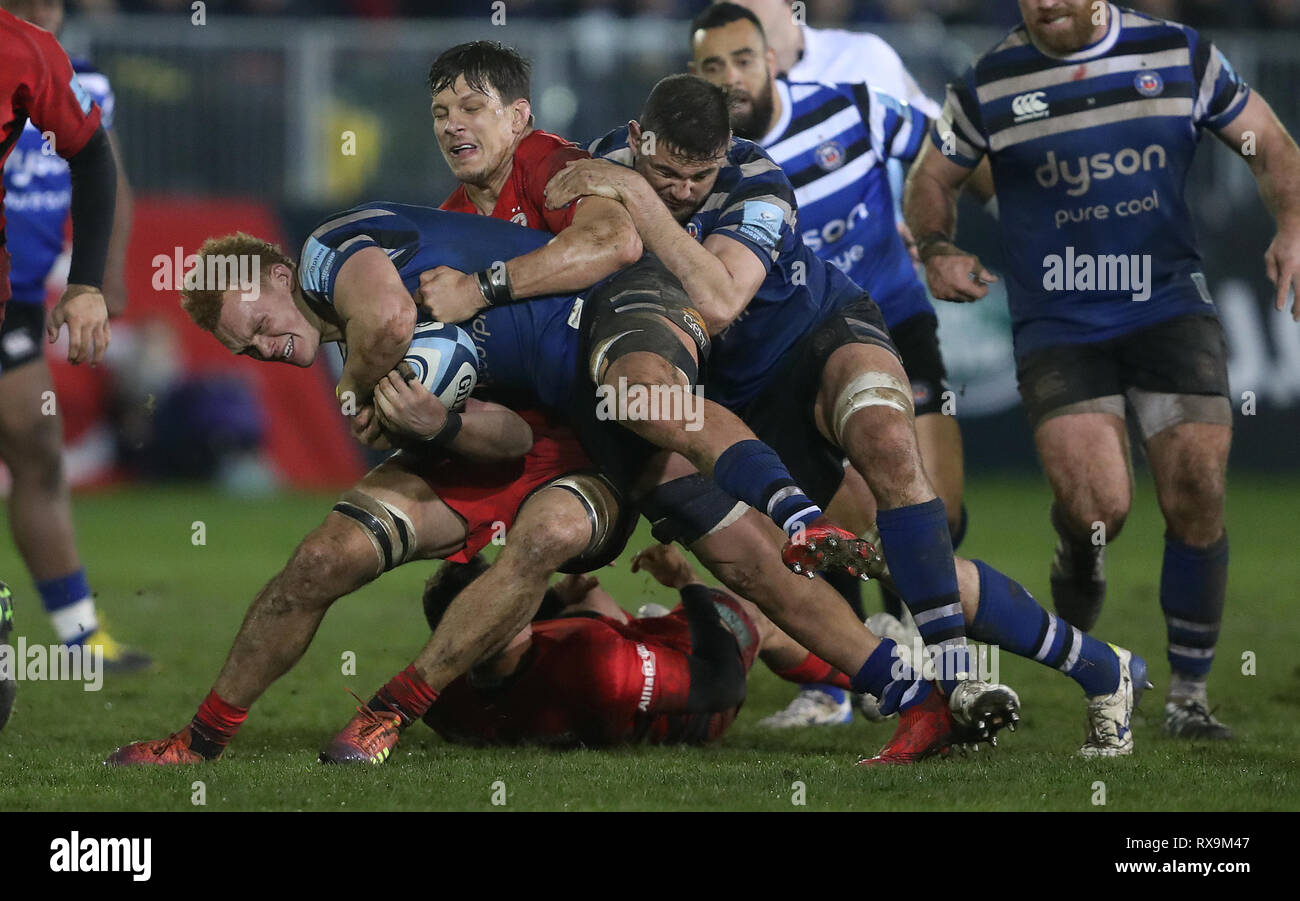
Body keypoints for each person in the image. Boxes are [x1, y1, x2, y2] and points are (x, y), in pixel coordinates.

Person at [552, 74, 1155, 757]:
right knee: (849, 562)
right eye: (664, 172)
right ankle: (1104, 668)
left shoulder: (758, 178)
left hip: (817, 336)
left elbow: (718, 302)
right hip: (733, 406)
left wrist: (636, 194)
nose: (683, 189)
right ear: (636, 138)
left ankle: (954, 677)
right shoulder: (598, 162)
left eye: (699, 175)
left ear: (726, 152)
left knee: (887, 443)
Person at [904, 0, 1300, 740]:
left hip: (1168, 307)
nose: (1045, 4)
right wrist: (936, 246)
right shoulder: (989, 83)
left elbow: (1270, 145)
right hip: (1059, 323)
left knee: (1198, 488)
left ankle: (1188, 696)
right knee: (1096, 514)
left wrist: (1293, 225)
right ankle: (1077, 558)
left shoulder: (1178, 55)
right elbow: (932, 178)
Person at [689, 1, 966, 727]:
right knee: (826, 512)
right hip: (794, 348)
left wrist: (934, 238)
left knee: (940, 504)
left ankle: (938, 658)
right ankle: (844, 679)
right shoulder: (697, 167)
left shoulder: (852, 107)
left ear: (773, 61)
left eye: (742, 61)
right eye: (711, 68)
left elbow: (950, 150)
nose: (730, 80)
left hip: (893, 320)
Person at [390, 544, 861, 751]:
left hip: (594, 679)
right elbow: (723, 685)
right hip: (688, 708)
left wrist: (556, 599)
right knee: (756, 608)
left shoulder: (439, 700)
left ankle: (644, 632)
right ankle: (860, 680)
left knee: (588, 596)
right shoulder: (594, 660)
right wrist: (690, 584)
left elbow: (497, 648)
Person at [1, 0, 146, 671]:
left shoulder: (59, 71)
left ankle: (81, 638)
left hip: (16, 295)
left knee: (37, 443)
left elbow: (102, 170)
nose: (45, 13)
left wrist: (94, 280)